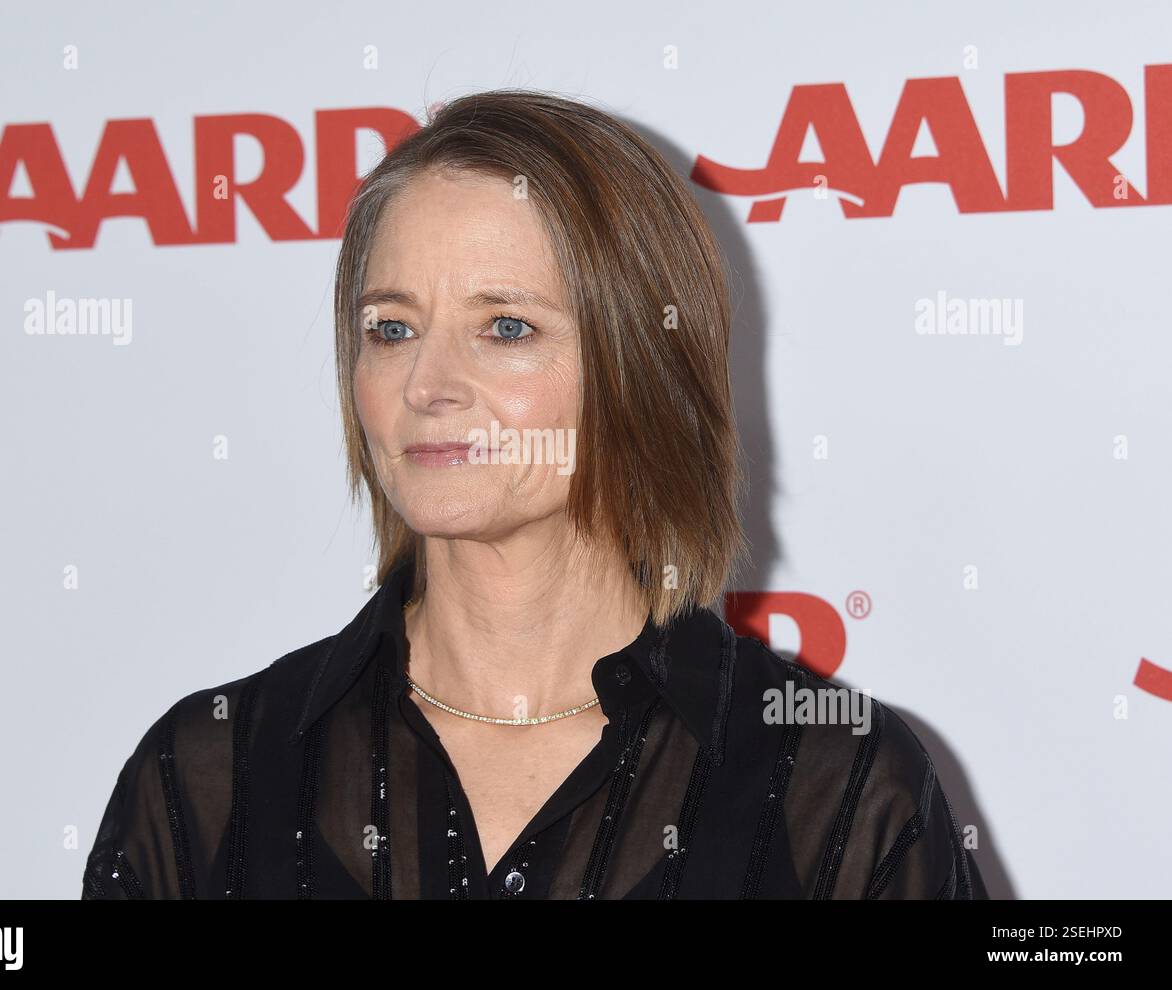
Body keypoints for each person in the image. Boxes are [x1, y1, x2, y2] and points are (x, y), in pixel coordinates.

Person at [82, 88, 987, 899]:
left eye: (505, 327)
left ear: (642, 366)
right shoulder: (212, 774)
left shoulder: (836, 787)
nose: (426, 385)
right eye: (390, 329)